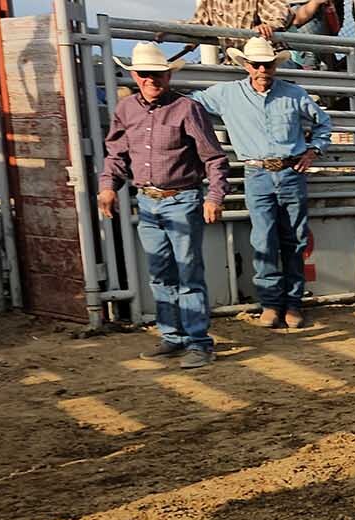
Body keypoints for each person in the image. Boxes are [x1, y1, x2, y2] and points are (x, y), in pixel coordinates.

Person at [98, 44, 229, 370]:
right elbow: (116, 154)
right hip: (147, 200)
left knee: (188, 274)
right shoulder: (126, 110)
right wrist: (107, 187)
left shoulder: (187, 108)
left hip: (181, 199)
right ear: (134, 75)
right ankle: (173, 336)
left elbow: (213, 157)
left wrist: (214, 197)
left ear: (168, 75)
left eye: (157, 73)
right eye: (144, 74)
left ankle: (198, 342)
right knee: (160, 273)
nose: (151, 79)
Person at [192, 36, 333, 330]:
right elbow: (190, 104)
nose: (262, 70)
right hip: (257, 173)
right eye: (256, 65)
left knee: (295, 239)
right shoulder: (227, 94)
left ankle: (292, 304)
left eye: (267, 65)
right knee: (263, 239)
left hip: (291, 171)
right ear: (246, 66)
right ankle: (270, 303)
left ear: (274, 66)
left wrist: (313, 150)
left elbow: (323, 122)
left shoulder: (294, 94)